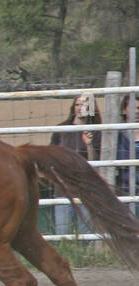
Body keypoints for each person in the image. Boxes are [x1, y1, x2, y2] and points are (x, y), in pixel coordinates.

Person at [51, 93, 101, 235]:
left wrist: (89, 145)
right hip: (63, 189)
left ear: (91, 108)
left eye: (85, 105)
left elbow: (97, 163)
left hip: (87, 190)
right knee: (63, 234)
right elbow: (51, 156)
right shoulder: (61, 130)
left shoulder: (96, 131)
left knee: (88, 235)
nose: (80, 108)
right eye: (78, 104)